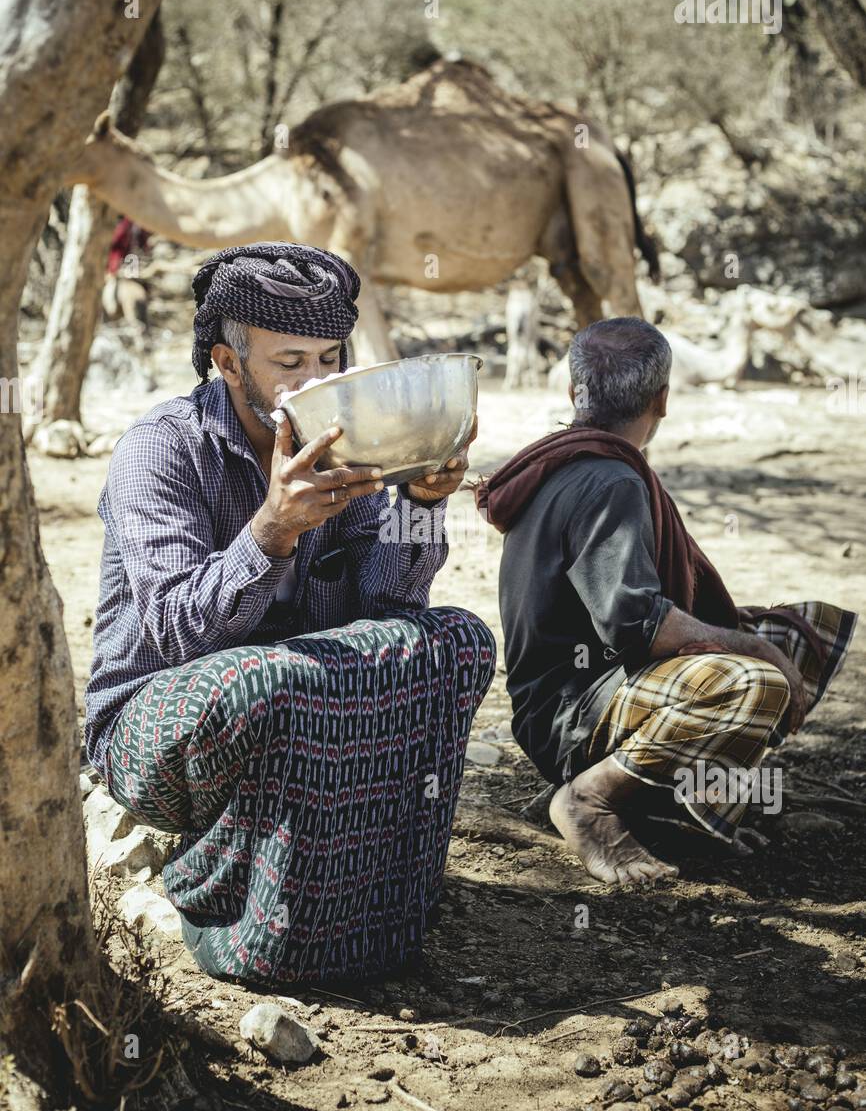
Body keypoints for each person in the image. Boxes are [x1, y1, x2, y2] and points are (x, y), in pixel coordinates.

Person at [85, 242, 495, 986]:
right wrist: (272, 529)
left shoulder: (344, 444)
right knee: (271, 684)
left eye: (331, 360)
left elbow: (391, 609)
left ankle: (387, 901)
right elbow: (177, 632)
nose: (318, 383)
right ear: (228, 363)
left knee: (458, 642)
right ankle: (225, 916)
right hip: (153, 726)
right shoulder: (161, 450)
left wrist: (421, 504)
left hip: (303, 701)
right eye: (290, 363)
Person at [477, 316, 856, 887]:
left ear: (572, 393)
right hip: (571, 712)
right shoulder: (610, 480)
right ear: (663, 400)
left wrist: (756, 639)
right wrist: (749, 647)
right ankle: (590, 799)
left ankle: (670, 810)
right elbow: (638, 625)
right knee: (753, 682)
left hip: (586, 691)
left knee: (806, 631)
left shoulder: (564, 459)